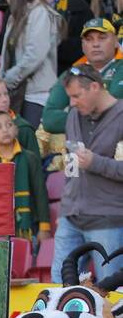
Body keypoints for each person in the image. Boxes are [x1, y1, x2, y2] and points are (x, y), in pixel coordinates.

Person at [55, 65, 123, 283]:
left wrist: (96, 163)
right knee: (58, 290)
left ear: (95, 87)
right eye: (70, 97)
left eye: (76, 96)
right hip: (71, 217)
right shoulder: (74, 115)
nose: (72, 103)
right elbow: (71, 164)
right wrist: (65, 206)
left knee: (109, 292)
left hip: (108, 219)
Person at [40, 17, 123, 135]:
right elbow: (49, 120)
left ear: (115, 42)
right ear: (83, 46)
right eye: (89, 39)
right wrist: (92, 117)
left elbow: (113, 112)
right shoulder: (72, 73)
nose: (95, 44)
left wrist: (74, 116)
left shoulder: (121, 68)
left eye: (102, 38)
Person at [0, 110, 50, 243]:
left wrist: (44, 227)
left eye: (9, 125)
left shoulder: (29, 158)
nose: (5, 130)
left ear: (16, 130)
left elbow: (40, 192)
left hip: (28, 226)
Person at [0, 0, 60, 128]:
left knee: (30, 141)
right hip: (14, 92)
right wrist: (1, 82)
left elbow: (35, 54)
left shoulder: (40, 12)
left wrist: (9, 78)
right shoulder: (14, 16)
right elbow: (5, 55)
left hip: (36, 94)